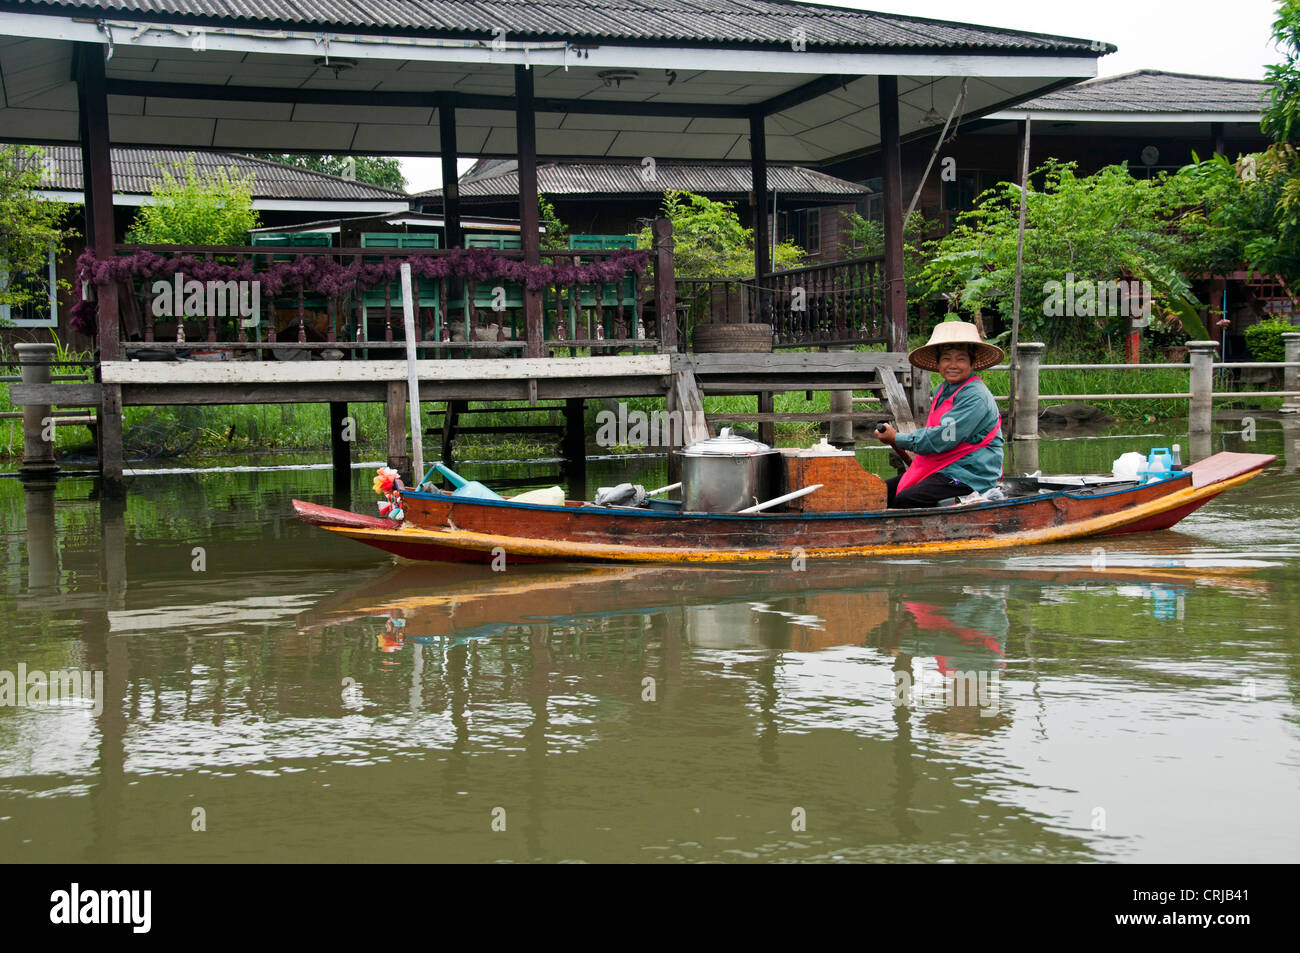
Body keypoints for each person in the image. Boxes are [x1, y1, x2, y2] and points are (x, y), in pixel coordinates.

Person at [875, 320, 1004, 508]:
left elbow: (944, 437)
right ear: (938, 363)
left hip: (970, 474)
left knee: (905, 499)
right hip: (943, 466)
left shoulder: (975, 396)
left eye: (960, 359)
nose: (953, 365)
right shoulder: (943, 389)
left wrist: (897, 438)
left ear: (972, 362)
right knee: (881, 491)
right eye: (946, 359)